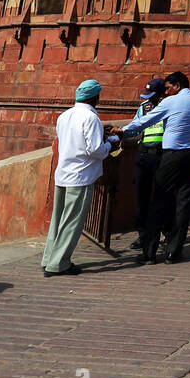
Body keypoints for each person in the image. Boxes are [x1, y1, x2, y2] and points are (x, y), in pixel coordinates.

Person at [121, 71, 190, 264]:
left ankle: (149, 253)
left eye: (168, 87)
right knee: (184, 203)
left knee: (159, 200)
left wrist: (123, 130)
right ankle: (174, 253)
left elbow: (146, 121)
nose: (165, 92)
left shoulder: (169, 103)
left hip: (172, 156)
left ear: (177, 86)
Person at [43, 79, 119, 276]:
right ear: (96, 97)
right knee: (72, 222)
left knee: (58, 221)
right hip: (81, 176)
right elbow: (95, 150)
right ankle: (59, 264)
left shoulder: (64, 116)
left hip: (63, 173)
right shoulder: (91, 118)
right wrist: (111, 144)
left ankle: (49, 258)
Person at [129, 77, 168, 254]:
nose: (149, 99)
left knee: (164, 196)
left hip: (162, 155)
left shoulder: (169, 107)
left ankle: (167, 232)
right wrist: (119, 133)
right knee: (141, 196)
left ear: (161, 94)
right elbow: (135, 128)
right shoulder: (144, 108)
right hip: (144, 154)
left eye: (152, 95)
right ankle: (143, 235)